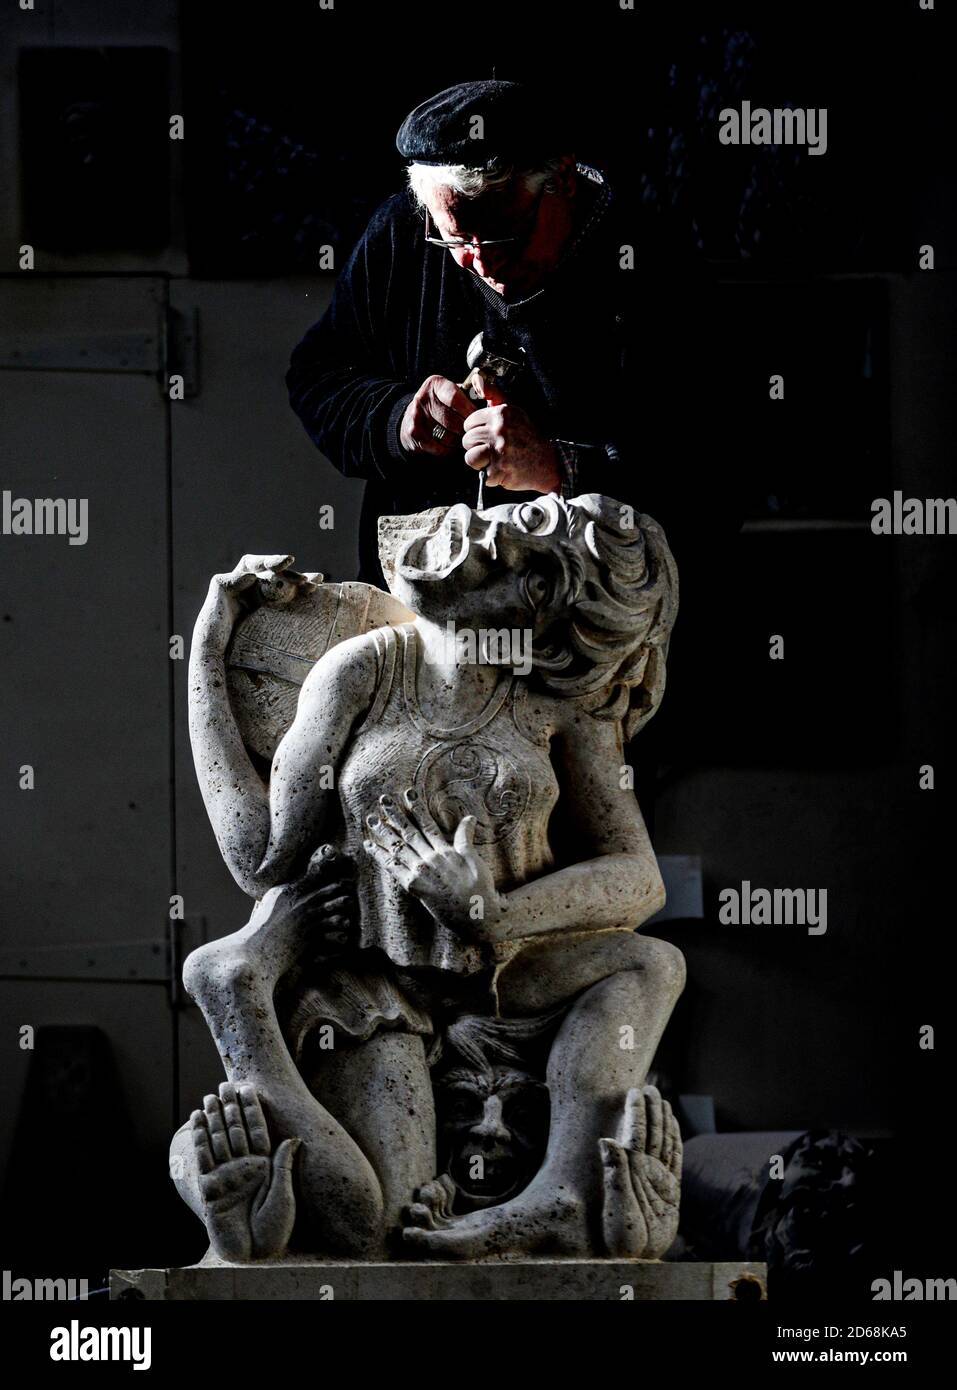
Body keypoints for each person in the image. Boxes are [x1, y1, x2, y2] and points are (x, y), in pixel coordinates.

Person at [286, 79, 735, 591]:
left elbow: (714, 478)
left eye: (504, 236)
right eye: (455, 238)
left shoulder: (653, 268)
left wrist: (559, 468)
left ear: (562, 180)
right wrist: (398, 419)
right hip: (420, 597)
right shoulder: (401, 235)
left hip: (588, 609)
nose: (482, 262)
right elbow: (317, 378)